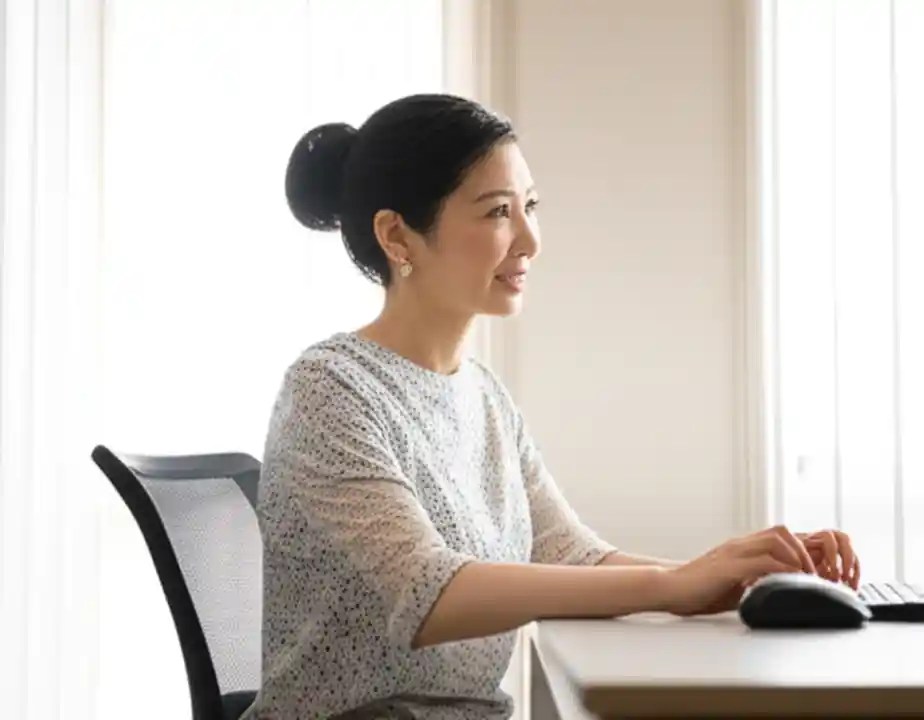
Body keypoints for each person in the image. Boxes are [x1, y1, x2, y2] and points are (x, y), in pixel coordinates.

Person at [243, 93, 860, 720]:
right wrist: (673, 586)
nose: (530, 239)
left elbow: (571, 553)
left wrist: (729, 576)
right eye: (498, 213)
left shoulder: (482, 395)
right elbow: (427, 591)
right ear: (398, 235)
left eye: (530, 206)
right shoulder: (328, 390)